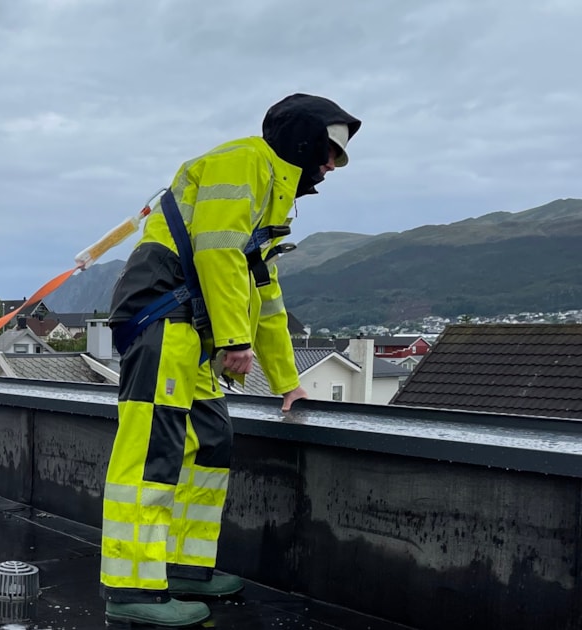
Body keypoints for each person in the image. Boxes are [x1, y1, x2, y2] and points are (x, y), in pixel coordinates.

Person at [100, 93, 361, 627]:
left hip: (193, 330)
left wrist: (287, 382)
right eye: (331, 151)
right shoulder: (242, 164)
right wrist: (232, 342)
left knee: (211, 440)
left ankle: (183, 568)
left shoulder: (272, 195)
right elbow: (216, 253)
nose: (334, 165)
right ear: (303, 139)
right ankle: (131, 588)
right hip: (165, 319)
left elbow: (265, 297)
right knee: (151, 454)